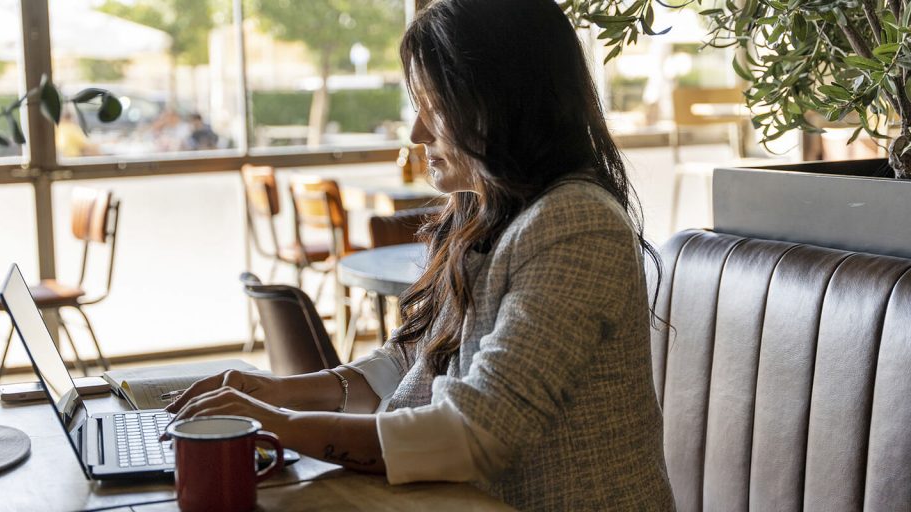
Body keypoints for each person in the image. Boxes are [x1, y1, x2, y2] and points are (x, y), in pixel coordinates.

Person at [166, 0, 675, 509]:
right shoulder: (487, 208)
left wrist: (279, 426)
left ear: (499, 102)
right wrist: (275, 392)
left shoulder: (576, 222)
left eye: (433, 108)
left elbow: (477, 431)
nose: (416, 134)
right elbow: (414, 359)